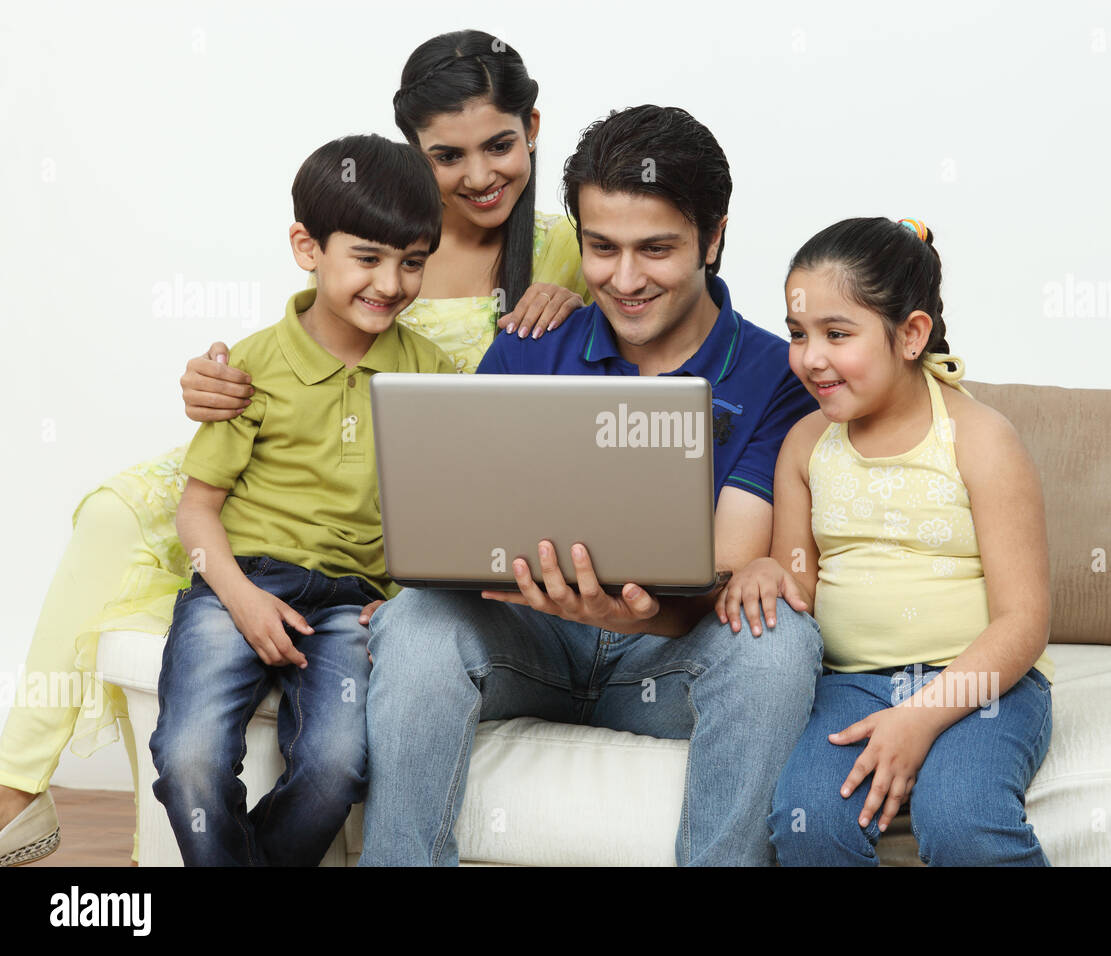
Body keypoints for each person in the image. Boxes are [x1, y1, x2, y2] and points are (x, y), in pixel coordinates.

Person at [0, 29, 584, 865]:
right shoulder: (384, 223)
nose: (481, 175)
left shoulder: (568, 246)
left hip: (399, 481)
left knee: (333, 752)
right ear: (412, 156)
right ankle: (17, 783)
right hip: (296, 438)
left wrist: (581, 306)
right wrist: (211, 378)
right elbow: (311, 335)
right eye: (447, 155)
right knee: (111, 517)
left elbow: (644, 332)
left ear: (533, 127)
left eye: (500, 145)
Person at [358, 105, 825, 868]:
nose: (626, 279)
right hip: (530, 642)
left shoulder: (778, 373)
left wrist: (625, 614)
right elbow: (458, 512)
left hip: (670, 657)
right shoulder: (531, 347)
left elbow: (731, 571)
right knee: (416, 623)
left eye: (657, 249)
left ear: (714, 237)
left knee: (780, 643)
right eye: (602, 249)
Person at [149, 133, 457, 866]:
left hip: (353, 605)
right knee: (189, 759)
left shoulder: (432, 375)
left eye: (413, 262)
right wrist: (242, 598)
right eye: (369, 257)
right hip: (241, 581)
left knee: (338, 765)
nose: (391, 282)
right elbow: (197, 509)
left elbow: (447, 512)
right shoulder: (249, 367)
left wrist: (415, 595)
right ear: (307, 246)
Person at [717, 217, 1055, 866]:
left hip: (978, 685)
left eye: (836, 334)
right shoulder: (805, 446)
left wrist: (922, 716)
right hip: (850, 685)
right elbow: (801, 587)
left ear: (911, 334)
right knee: (807, 822)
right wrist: (766, 570)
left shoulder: (981, 439)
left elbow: (1025, 620)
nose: (810, 356)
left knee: (961, 820)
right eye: (797, 334)